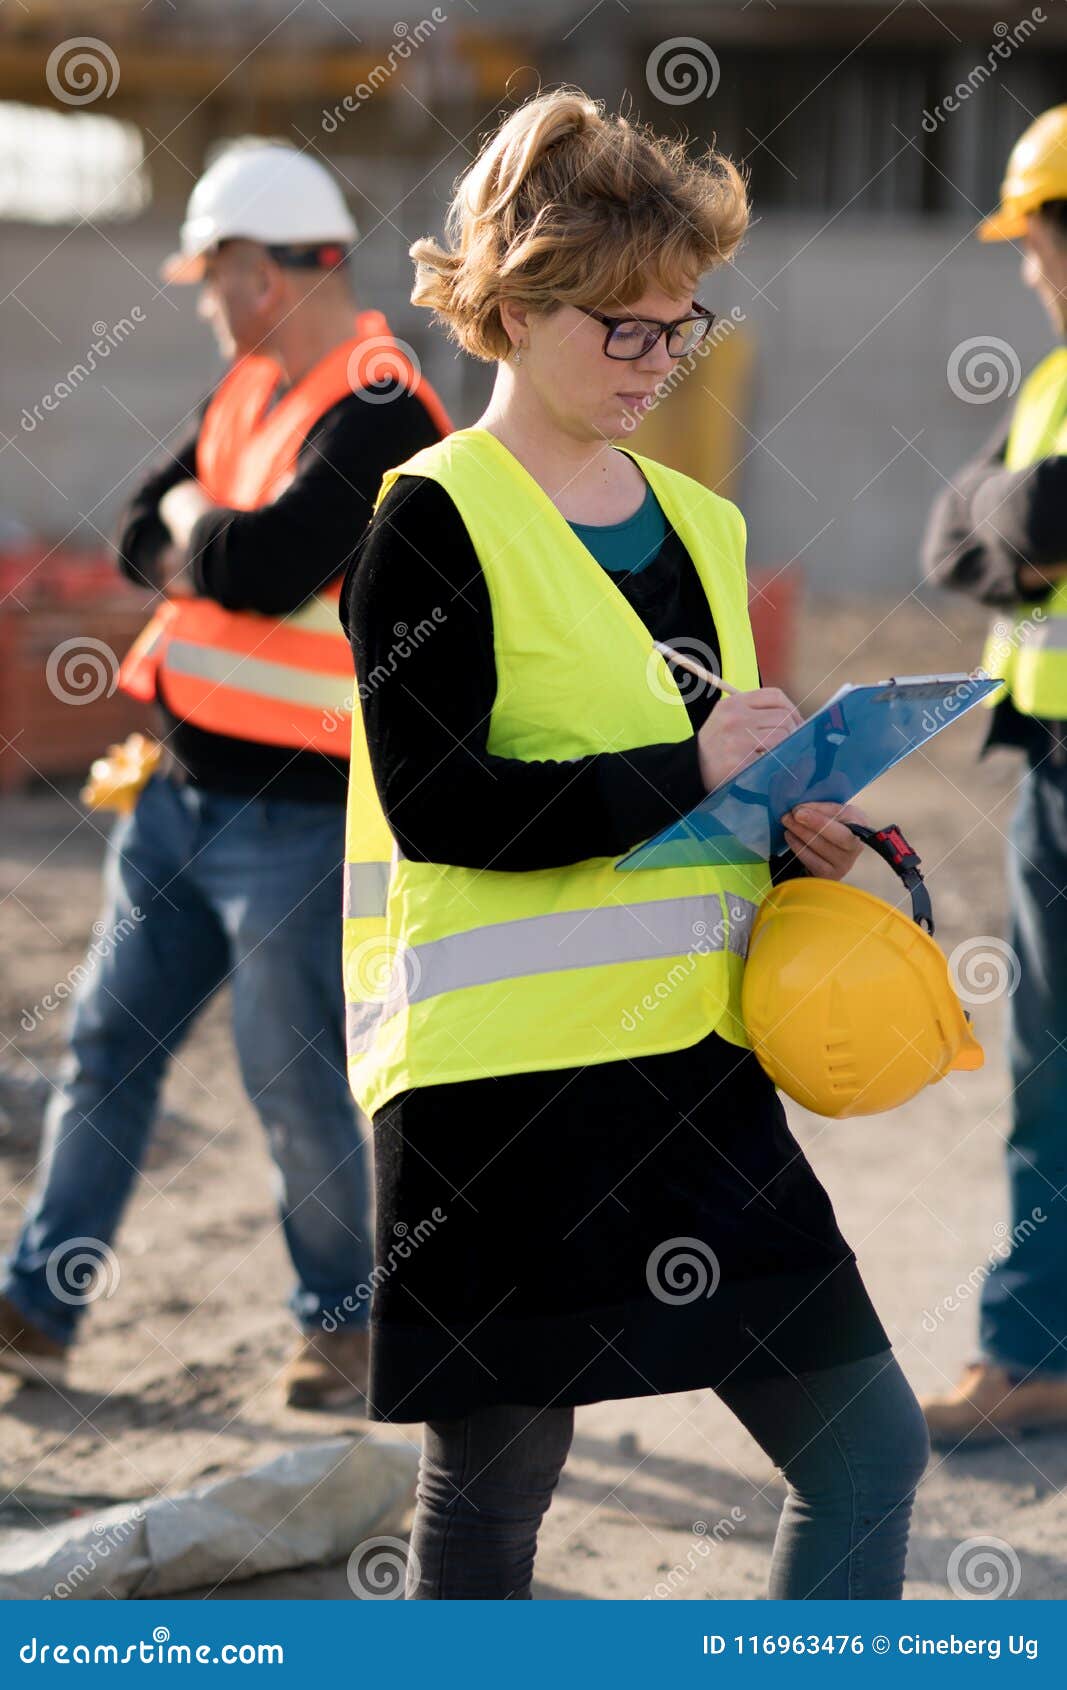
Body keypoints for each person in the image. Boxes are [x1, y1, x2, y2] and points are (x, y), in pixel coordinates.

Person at [338, 89, 929, 1599]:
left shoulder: (697, 523)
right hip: (499, 1095)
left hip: (689, 1080)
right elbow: (442, 808)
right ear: (520, 309)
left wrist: (789, 830)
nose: (660, 363)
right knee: (487, 1510)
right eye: (626, 330)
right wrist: (684, 765)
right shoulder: (431, 518)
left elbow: (700, 812)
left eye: (681, 328)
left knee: (867, 1449)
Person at [0, 141, 449, 1410]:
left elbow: (253, 565)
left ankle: (343, 1323)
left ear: (261, 273)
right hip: (177, 798)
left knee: (293, 1076)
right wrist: (203, 529)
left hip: (302, 821)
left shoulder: (383, 408)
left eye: (213, 274)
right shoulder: (250, 387)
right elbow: (144, 525)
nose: (205, 297)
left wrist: (202, 530)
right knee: (104, 1045)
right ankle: (37, 1302)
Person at [920, 105, 1067, 1444]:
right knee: (1045, 1073)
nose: (1024, 266)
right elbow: (959, 528)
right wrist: (1009, 523)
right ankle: (1031, 1347)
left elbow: (1029, 518)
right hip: (1051, 769)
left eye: (1032, 237)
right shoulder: (1048, 379)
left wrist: (1013, 521)